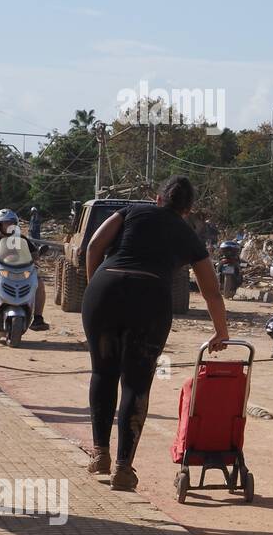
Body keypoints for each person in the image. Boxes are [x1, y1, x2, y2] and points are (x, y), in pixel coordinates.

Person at [81, 176, 229, 491]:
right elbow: (211, 292)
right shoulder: (188, 235)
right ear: (187, 210)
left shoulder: (131, 211)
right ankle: (123, 467)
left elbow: (94, 244)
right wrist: (221, 330)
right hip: (149, 301)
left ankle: (99, 454)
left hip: (104, 292)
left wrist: (96, 284)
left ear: (158, 199)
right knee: (136, 381)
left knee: (103, 372)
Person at [0, 209, 49, 329]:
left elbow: (34, 254)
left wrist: (37, 256)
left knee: (39, 282)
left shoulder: (20, 239)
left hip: (16, 271)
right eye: (6, 223)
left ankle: (38, 318)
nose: (9, 225)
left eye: (12, 222)